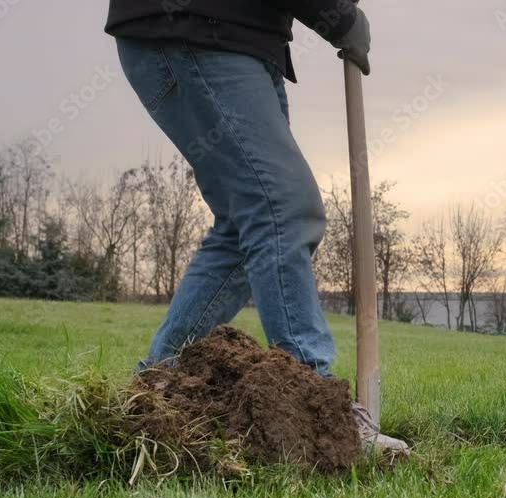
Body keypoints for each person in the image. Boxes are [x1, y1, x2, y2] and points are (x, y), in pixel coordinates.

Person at [104, 0, 407, 453]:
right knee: (282, 207)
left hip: (231, 36)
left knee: (243, 225)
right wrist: (340, 17)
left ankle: (153, 394)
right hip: (195, 27)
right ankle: (318, 413)